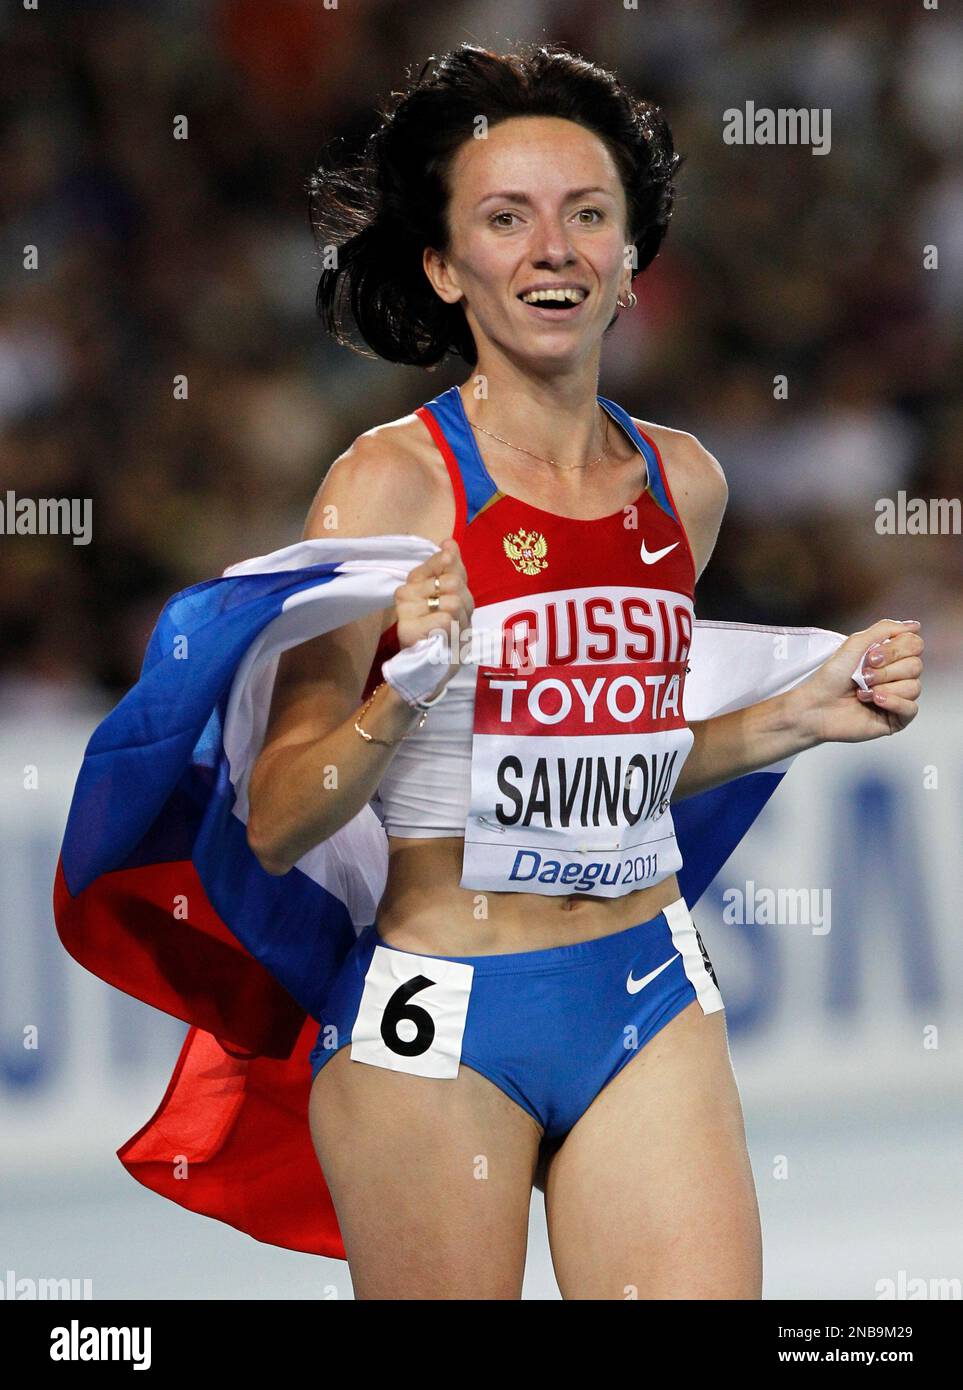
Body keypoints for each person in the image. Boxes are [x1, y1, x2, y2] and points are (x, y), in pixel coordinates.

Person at [245, 43, 924, 1300]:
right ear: (447, 269)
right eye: (507, 219)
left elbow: (618, 768)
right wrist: (405, 697)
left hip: (645, 986)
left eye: (587, 215)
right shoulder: (390, 486)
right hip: (441, 1021)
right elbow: (280, 818)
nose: (553, 247)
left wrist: (790, 719)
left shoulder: (688, 485)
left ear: (629, 263)